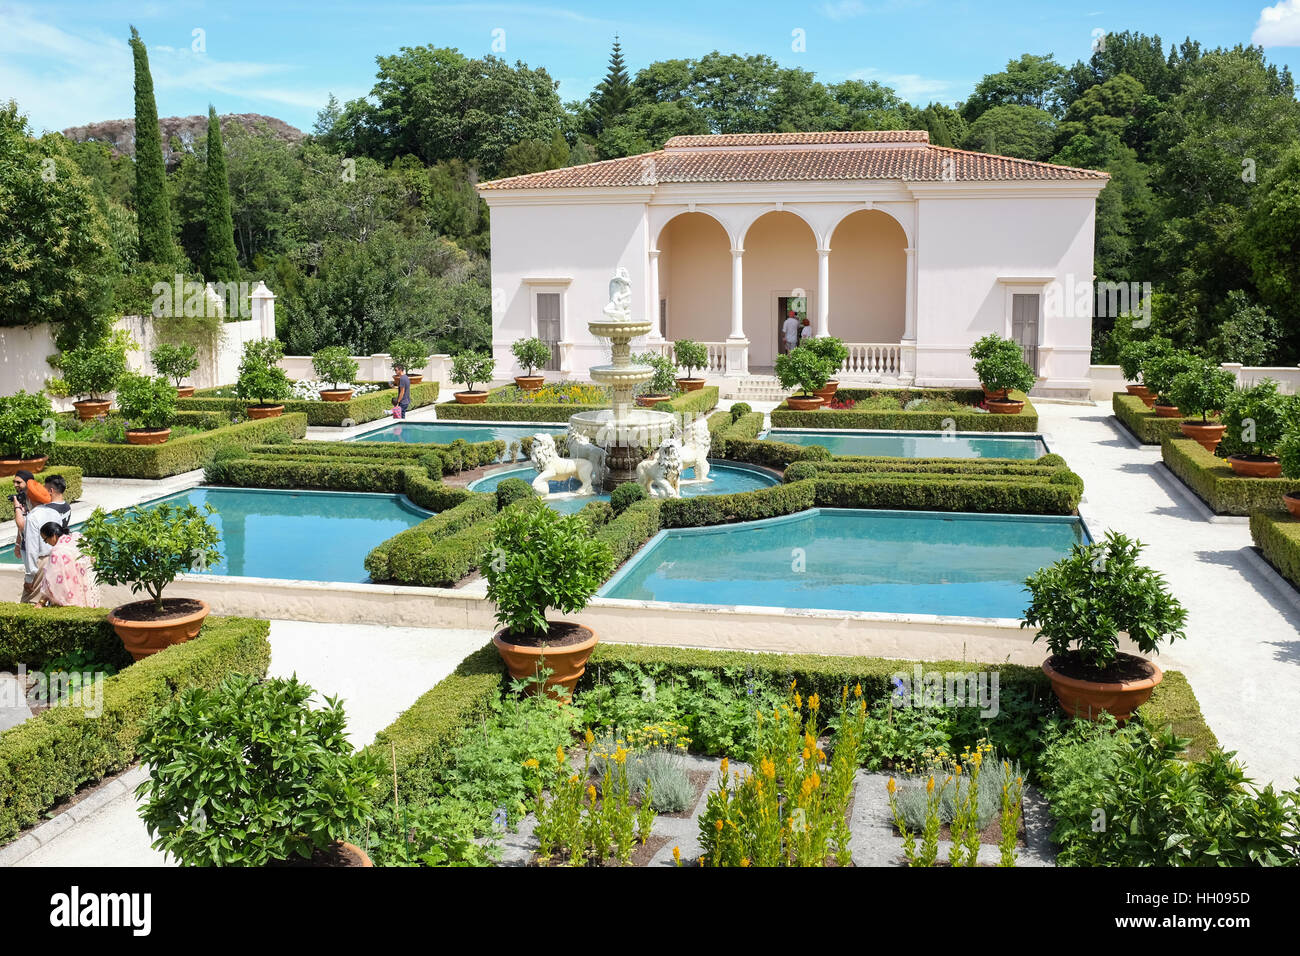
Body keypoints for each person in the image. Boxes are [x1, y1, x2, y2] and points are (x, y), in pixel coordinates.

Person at [18, 474, 71, 604]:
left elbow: (32, 549)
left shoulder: (32, 518)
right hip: (55, 560)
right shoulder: (53, 512)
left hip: (40, 563)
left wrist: (29, 578)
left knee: (28, 603)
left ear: (30, 499)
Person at [34, 521, 100, 608]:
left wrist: (41, 602)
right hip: (90, 588)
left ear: (53, 535)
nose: (47, 543)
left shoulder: (57, 551)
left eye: (46, 540)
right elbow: (93, 557)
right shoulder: (78, 537)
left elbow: (50, 578)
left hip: (73, 594)